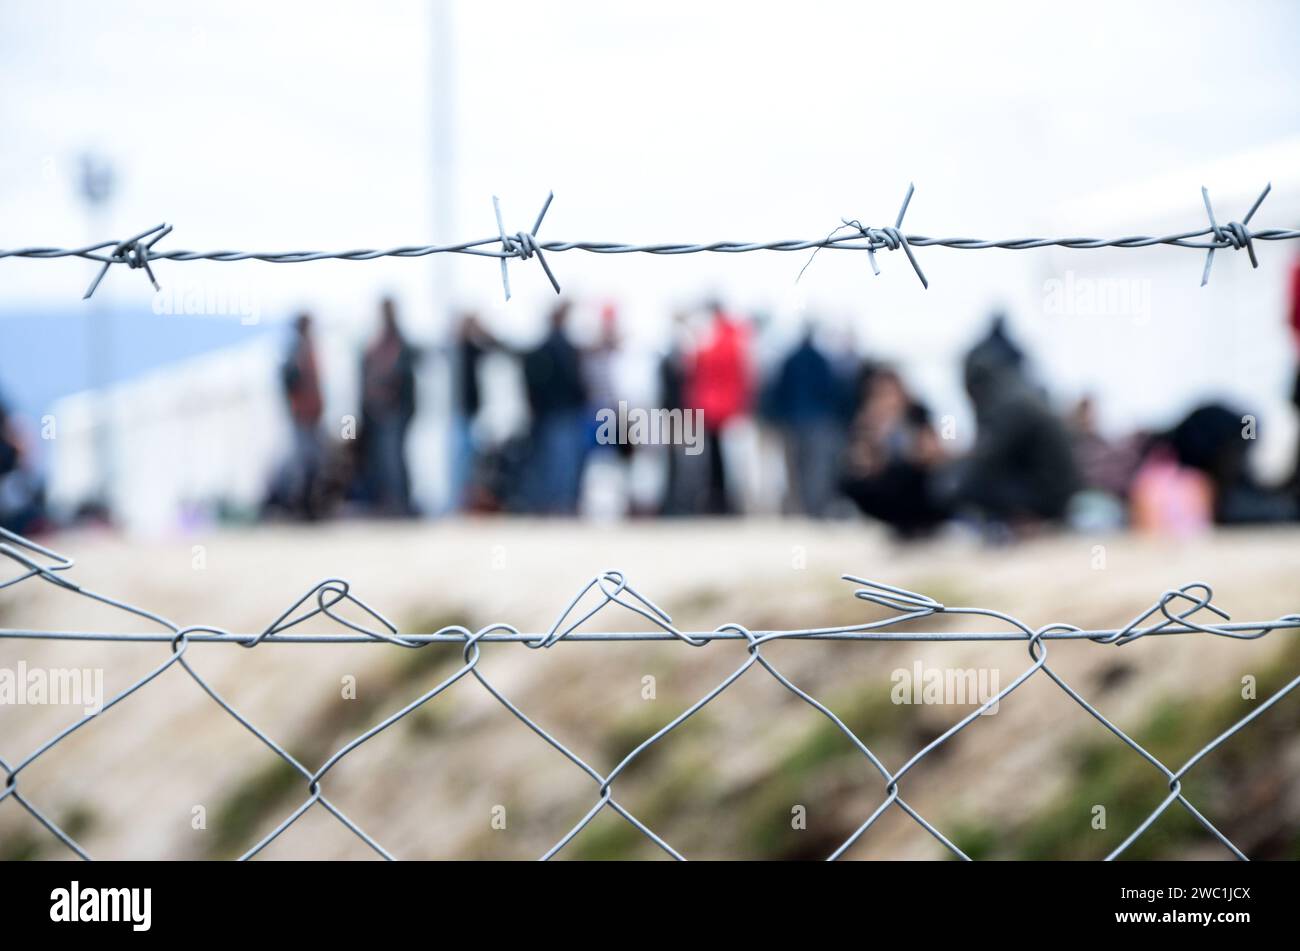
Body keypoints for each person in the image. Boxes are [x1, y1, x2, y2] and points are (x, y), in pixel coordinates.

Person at [949, 317, 1080, 526]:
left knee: (958, 483)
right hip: (1056, 489)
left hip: (1050, 496)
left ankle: (1026, 519)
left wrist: (949, 471)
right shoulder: (1022, 394)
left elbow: (987, 460)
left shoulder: (1010, 405)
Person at [840, 367, 947, 536]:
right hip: (886, 484)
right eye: (882, 394)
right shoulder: (867, 422)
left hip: (916, 481)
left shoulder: (917, 414)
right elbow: (861, 463)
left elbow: (933, 450)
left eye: (891, 392)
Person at [768, 326, 845, 516]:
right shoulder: (822, 360)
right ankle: (814, 506)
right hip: (817, 420)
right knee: (815, 467)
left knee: (796, 467)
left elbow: (779, 391)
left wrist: (778, 417)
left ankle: (802, 505)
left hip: (794, 419)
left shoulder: (791, 360)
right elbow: (831, 391)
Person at [684, 302, 752, 515]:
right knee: (725, 462)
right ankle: (724, 502)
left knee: (719, 462)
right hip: (725, 409)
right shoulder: (736, 339)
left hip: (716, 410)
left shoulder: (712, 340)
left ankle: (721, 501)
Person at [522, 300, 588, 515]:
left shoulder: (548, 346)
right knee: (561, 463)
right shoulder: (560, 347)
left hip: (552, 413)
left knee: (555, 462)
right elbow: (572, 380)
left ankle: (555, 503)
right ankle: (558, 505)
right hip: (560, 412)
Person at [360, 297, 417, 516]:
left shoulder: (398, 343)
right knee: (388, 458)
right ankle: (393, 501)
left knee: (393, 458)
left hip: (396, 411)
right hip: (382, 413)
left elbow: (398, 374)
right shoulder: (380, 343)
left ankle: (399, 503)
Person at [279, 313, 325, 519]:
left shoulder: (308, 347)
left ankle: (311, 508)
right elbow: (289, 379)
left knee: (314, 459)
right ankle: (301, 507)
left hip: (312, 414)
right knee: (304, 461)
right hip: (302, 414)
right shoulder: (295, 350)